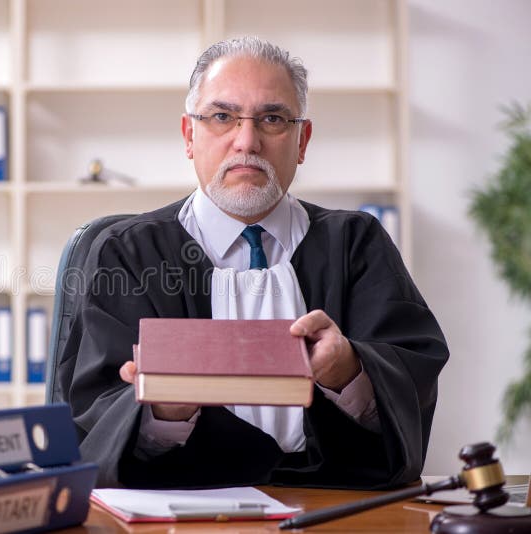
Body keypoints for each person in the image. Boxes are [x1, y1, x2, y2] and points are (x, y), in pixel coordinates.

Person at [58, 36, 449, 489]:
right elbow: (92, 414)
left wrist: (349, 369)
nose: (247, 141)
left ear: (301, 141)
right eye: (222, 117)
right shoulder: (125, 253)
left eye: (272, 118)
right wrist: (163, 410)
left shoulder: (356, 243)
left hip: (333, 501)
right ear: (189, 135)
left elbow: (411, 374)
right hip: (185, 503)